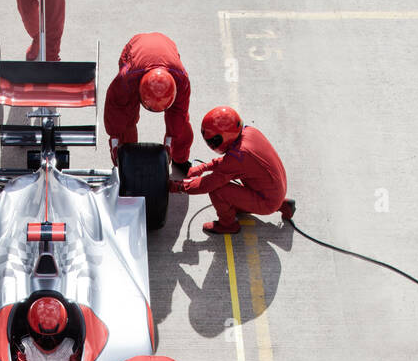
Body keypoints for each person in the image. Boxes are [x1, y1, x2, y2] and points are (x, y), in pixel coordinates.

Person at [169, 106, 295, 235]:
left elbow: (208, 184)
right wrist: (204, 167)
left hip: (267, 200)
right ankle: (282, 205)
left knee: (218, 190)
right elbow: (229, 163)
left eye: (212, 142)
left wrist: (178, 186)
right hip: (276, 190)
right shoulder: (249, 132)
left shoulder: (238, 157)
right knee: (241, 183)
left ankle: (228, 225)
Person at [103, 32, 193, 170]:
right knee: (126, 118)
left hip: (166, 47)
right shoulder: (126, 80)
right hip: (133, 50)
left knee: (181, 124)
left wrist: (170, 143)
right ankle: (127, 157)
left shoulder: (182, 80)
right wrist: (115, 144)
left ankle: (180, 159)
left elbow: (178, 114)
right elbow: (115, 111)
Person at [13, 297, 80, 361]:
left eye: (53, 336)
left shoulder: (71, 346)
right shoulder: (24, 346)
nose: (48, 340)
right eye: (42, 336)